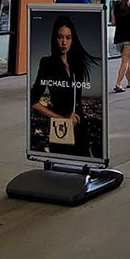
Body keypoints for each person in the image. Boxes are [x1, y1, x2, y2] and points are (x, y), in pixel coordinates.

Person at [30, 14, 100, 157]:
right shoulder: (47, 63)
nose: (64, 42)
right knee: (61, 164)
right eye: (60, 37)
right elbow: (33, 101)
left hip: (80, 125)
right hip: (61, 127)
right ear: (54, 39)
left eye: (68, 38)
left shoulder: (77, 65)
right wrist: (60, 118)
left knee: (85, 163)